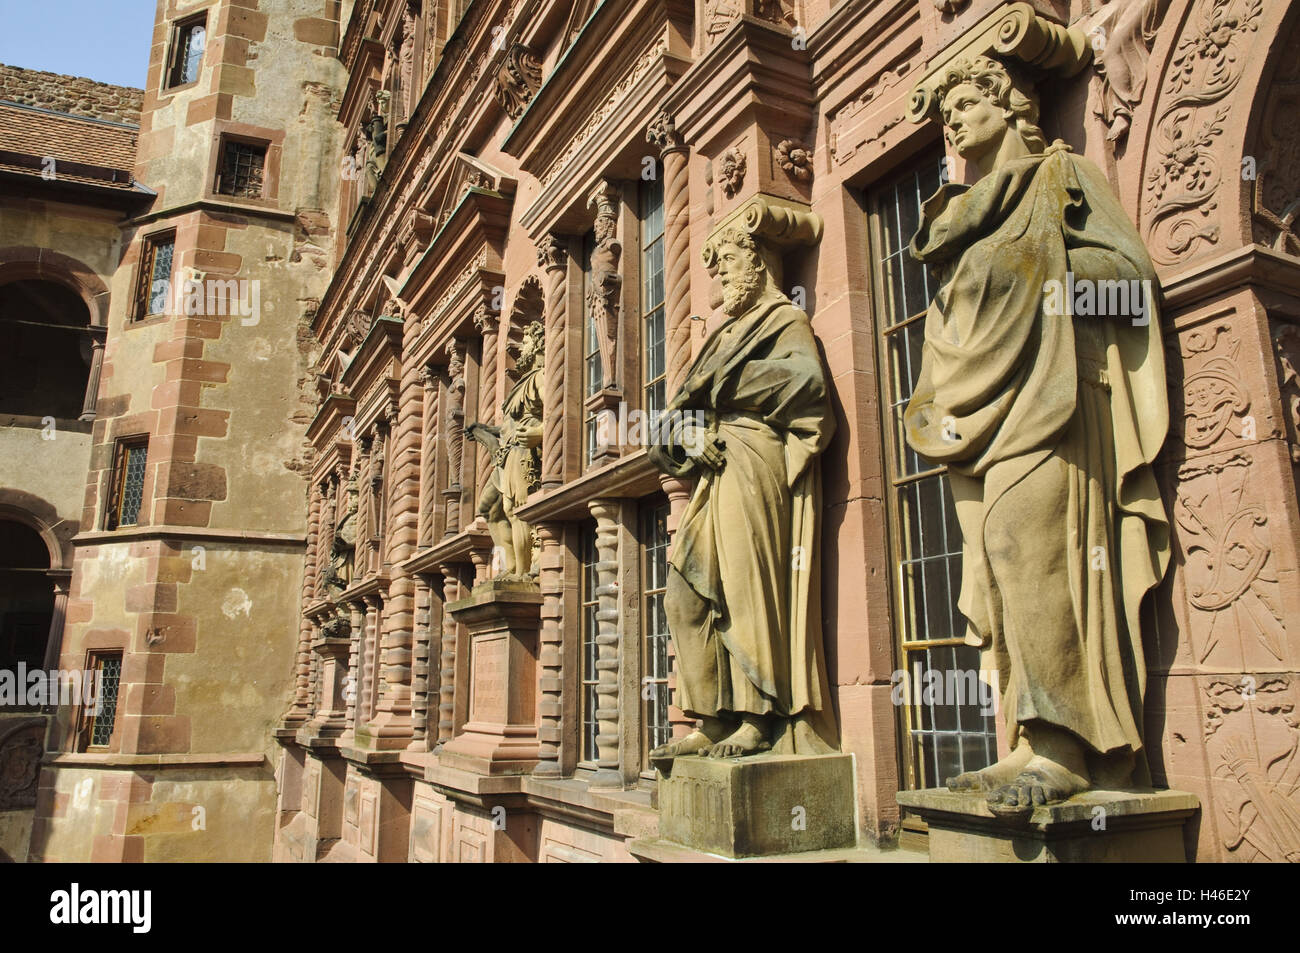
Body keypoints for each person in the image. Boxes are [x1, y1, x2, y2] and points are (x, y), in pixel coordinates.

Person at [903, 55, 1170, 815]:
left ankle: (1070, 745)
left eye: (964, 103)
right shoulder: (959, 221)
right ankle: (1029, 735)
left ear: (1010, 102)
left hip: (1056, 400)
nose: (951, 120)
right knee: (997, 566)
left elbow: (1134, 280)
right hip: (983, 416)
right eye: (945, 108)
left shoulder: (1064, 179)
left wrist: (1051, 265)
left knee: (1032, 546)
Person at [647, 227, 837, 759]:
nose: (720, 276)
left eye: (728, 261)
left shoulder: (785, 320)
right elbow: (671, 419)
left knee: (746, 588)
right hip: (712, 469)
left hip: (755, 459)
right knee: (685, 596)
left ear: (759, 263)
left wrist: (724, 391)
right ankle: (709, 716)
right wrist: (689, 432)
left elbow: (807, 385)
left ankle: (758, 716)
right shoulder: (720, 337)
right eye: (717, 267)